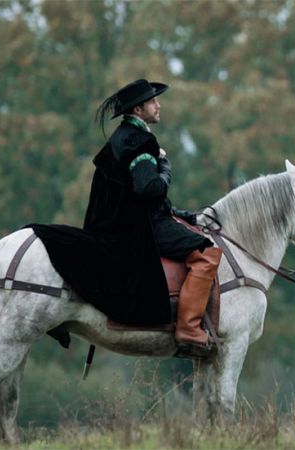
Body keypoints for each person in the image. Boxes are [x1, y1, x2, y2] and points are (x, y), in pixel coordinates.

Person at [32, 79, 222, 359]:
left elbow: (137, 196)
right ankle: (189, 328)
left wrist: (177, 212)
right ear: (138, 109)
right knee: (207, 252)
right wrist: (165, 172)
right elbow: (148, 189)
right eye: (153, 101)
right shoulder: (139, 141)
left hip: (118, 223)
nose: (158, 105)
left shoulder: (121, 138)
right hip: (139, 228)